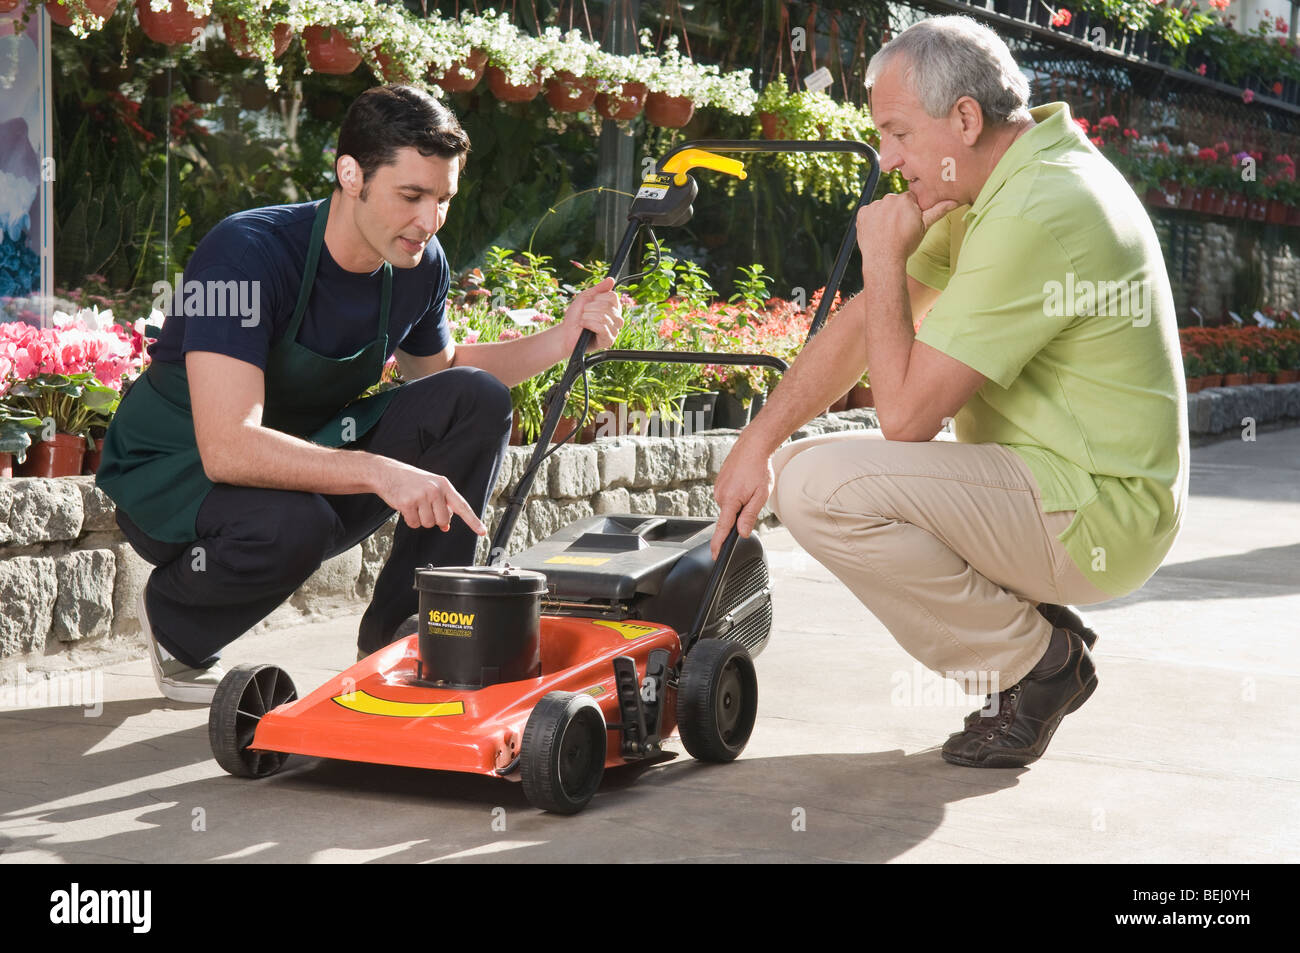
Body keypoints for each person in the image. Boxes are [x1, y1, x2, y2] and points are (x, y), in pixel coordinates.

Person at [710, 16, 1187, 768]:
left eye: (896, 132)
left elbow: (902, 417)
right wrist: (755, 442)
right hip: (1060, 486)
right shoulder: (995, 183)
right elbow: (865, 324)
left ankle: (1039, 663)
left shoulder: (1039, 207)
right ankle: (1030, 633)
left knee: (823, 487)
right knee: (803, 467)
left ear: (965, 118)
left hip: (1101, 512)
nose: (888, 158)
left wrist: (880, 255)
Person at [96, 85, 623, 704]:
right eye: (411, 196)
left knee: (473, 398)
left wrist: (564, 337)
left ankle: (411, 637)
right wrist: (379, 471)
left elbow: (442, 373)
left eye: (443, 199)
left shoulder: (419, 263)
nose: (429, 221)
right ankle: (178, 620)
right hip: (177, 477)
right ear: (350, 174)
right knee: (297, 522)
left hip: (307, 455)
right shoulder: (246, 254)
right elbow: (227, 449)